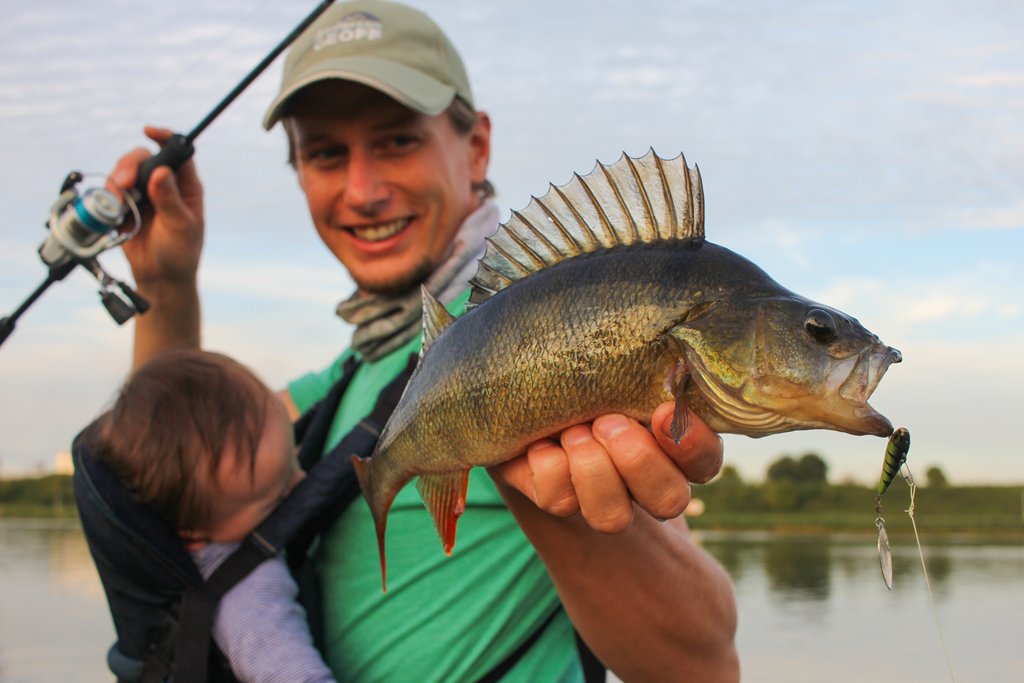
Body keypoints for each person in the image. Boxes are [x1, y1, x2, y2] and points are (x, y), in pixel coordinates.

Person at [108, 1, 740, 680]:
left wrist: (554, 498)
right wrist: (166, 284)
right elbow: (167, 454)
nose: (363, 189)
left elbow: (702, 665)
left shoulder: (568, 332)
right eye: (325, 153)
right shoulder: (342, 382)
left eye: (397, 140)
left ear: (476, 146)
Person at [93, 349, 335, 683]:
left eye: (294, 456)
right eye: (276, 496)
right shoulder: (248, 595)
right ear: (192, 533)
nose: (303, 481)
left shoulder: (209, 528)